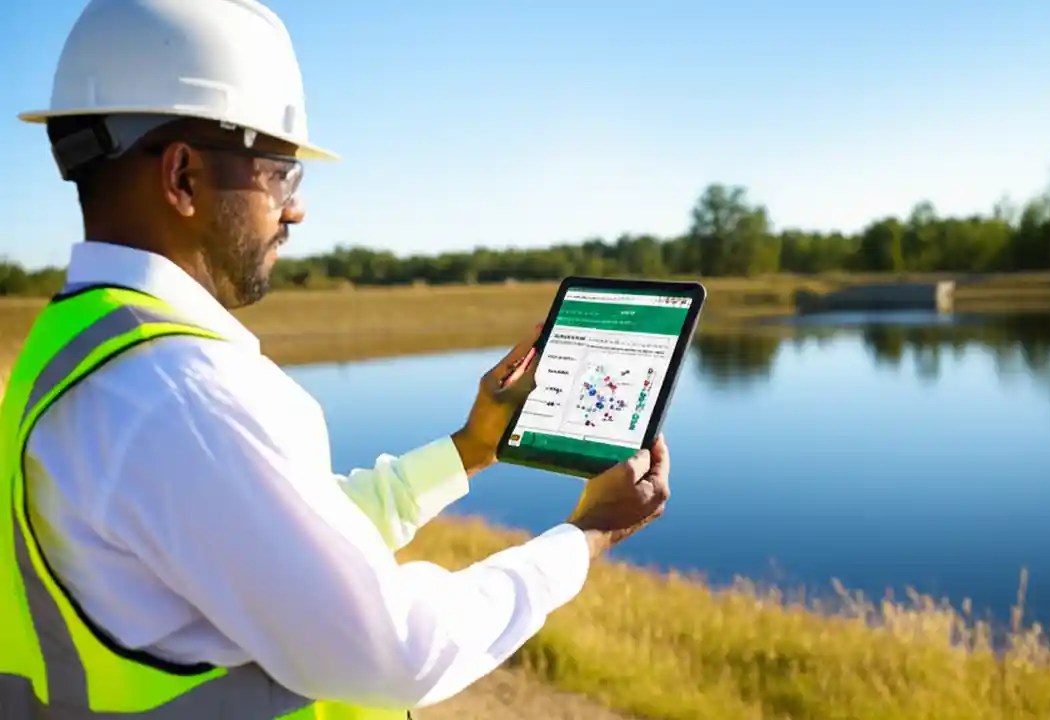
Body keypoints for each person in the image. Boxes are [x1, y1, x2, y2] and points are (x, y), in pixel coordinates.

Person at [1, 1, 671, 717]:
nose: (296, 211)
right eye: (281, 174)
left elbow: (278, 540)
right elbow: (398, 652)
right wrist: (587, 536)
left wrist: (467, 452)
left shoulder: (76, 343)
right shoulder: (182, 391)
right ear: (183, 177)